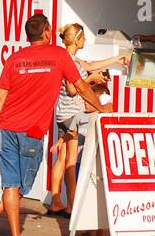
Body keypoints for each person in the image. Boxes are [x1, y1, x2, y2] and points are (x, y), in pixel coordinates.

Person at [0, 13, 105, 236]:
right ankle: (7, 233)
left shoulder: (15, 58)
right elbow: (80, 87)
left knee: (11, 184)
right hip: (32, 131)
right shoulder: (59, 55)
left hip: (6, 127)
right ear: (47, 32)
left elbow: (0, 97)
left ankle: (7, 233)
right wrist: (101, 109)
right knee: (20, 186)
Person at [48, 23, 124, 217]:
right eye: (83, 38)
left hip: (62, 113)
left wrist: (115, 59)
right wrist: (90, 80)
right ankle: (73, 206)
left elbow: (89, 66)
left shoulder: (68, 57)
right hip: (73, 114)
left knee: (62, 158)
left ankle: (56, 201)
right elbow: (74, 89)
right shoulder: (70, 60)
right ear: (77, 39)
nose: (86, 41)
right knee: (72, 161)